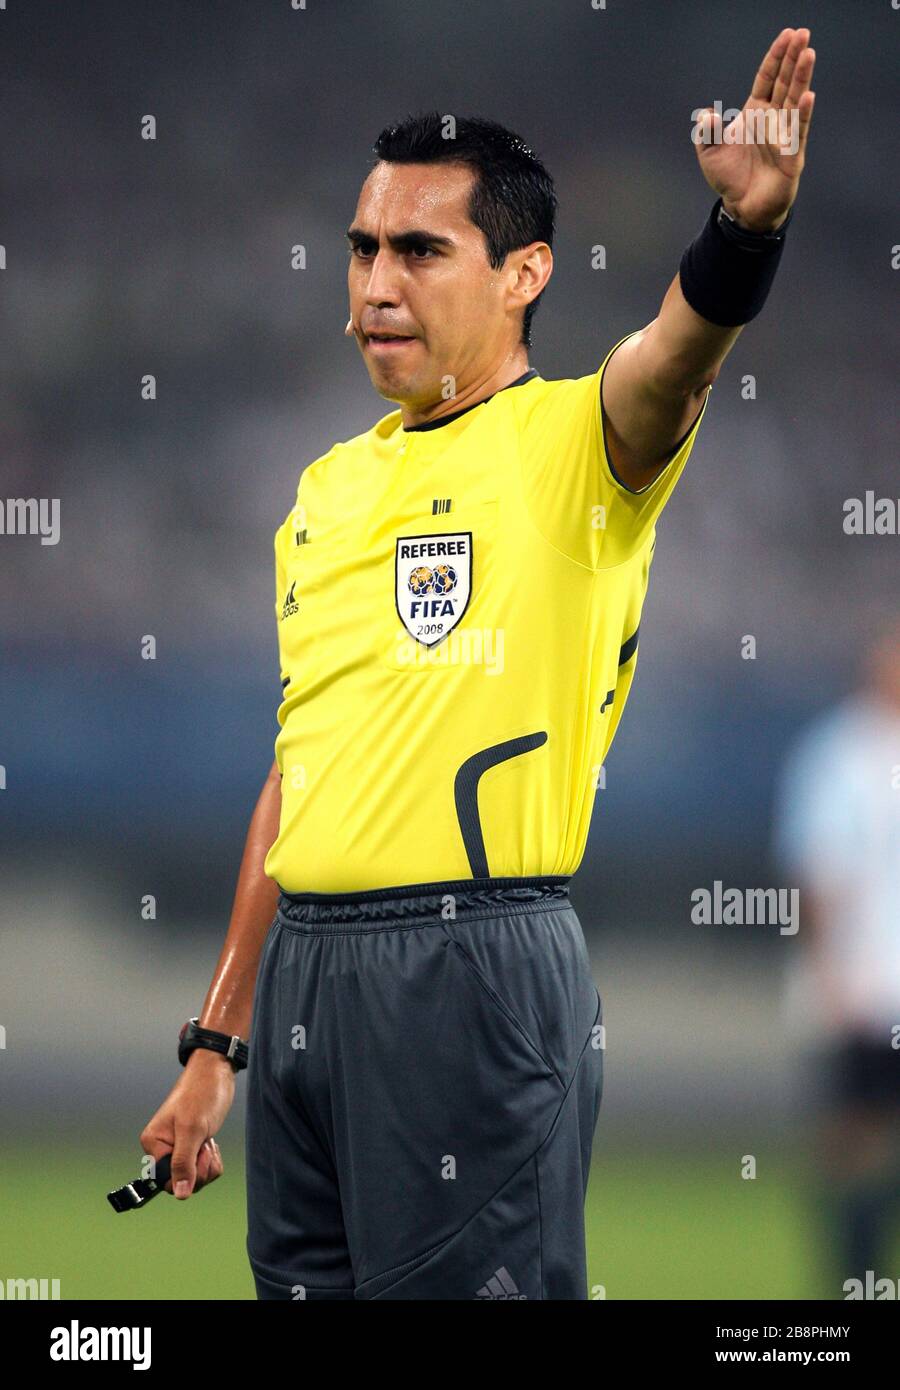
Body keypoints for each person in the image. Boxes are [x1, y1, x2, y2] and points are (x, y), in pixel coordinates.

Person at [140, 28, 816, 1299]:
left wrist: (744, 235)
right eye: (361, 248)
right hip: (305, 992)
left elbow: (677, 352)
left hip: (473, 966)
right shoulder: (327, 489)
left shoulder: (577, 443)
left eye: (420, 250)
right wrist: (217, 1038)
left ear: (525, 274)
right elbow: (303, 773)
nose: (376, 283)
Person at [773, 620, 900, 1293]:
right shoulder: (839, 753)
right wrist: (830, 980)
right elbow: (817, 876)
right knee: (853, 1141)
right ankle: (852, 1279)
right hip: (865, 989)